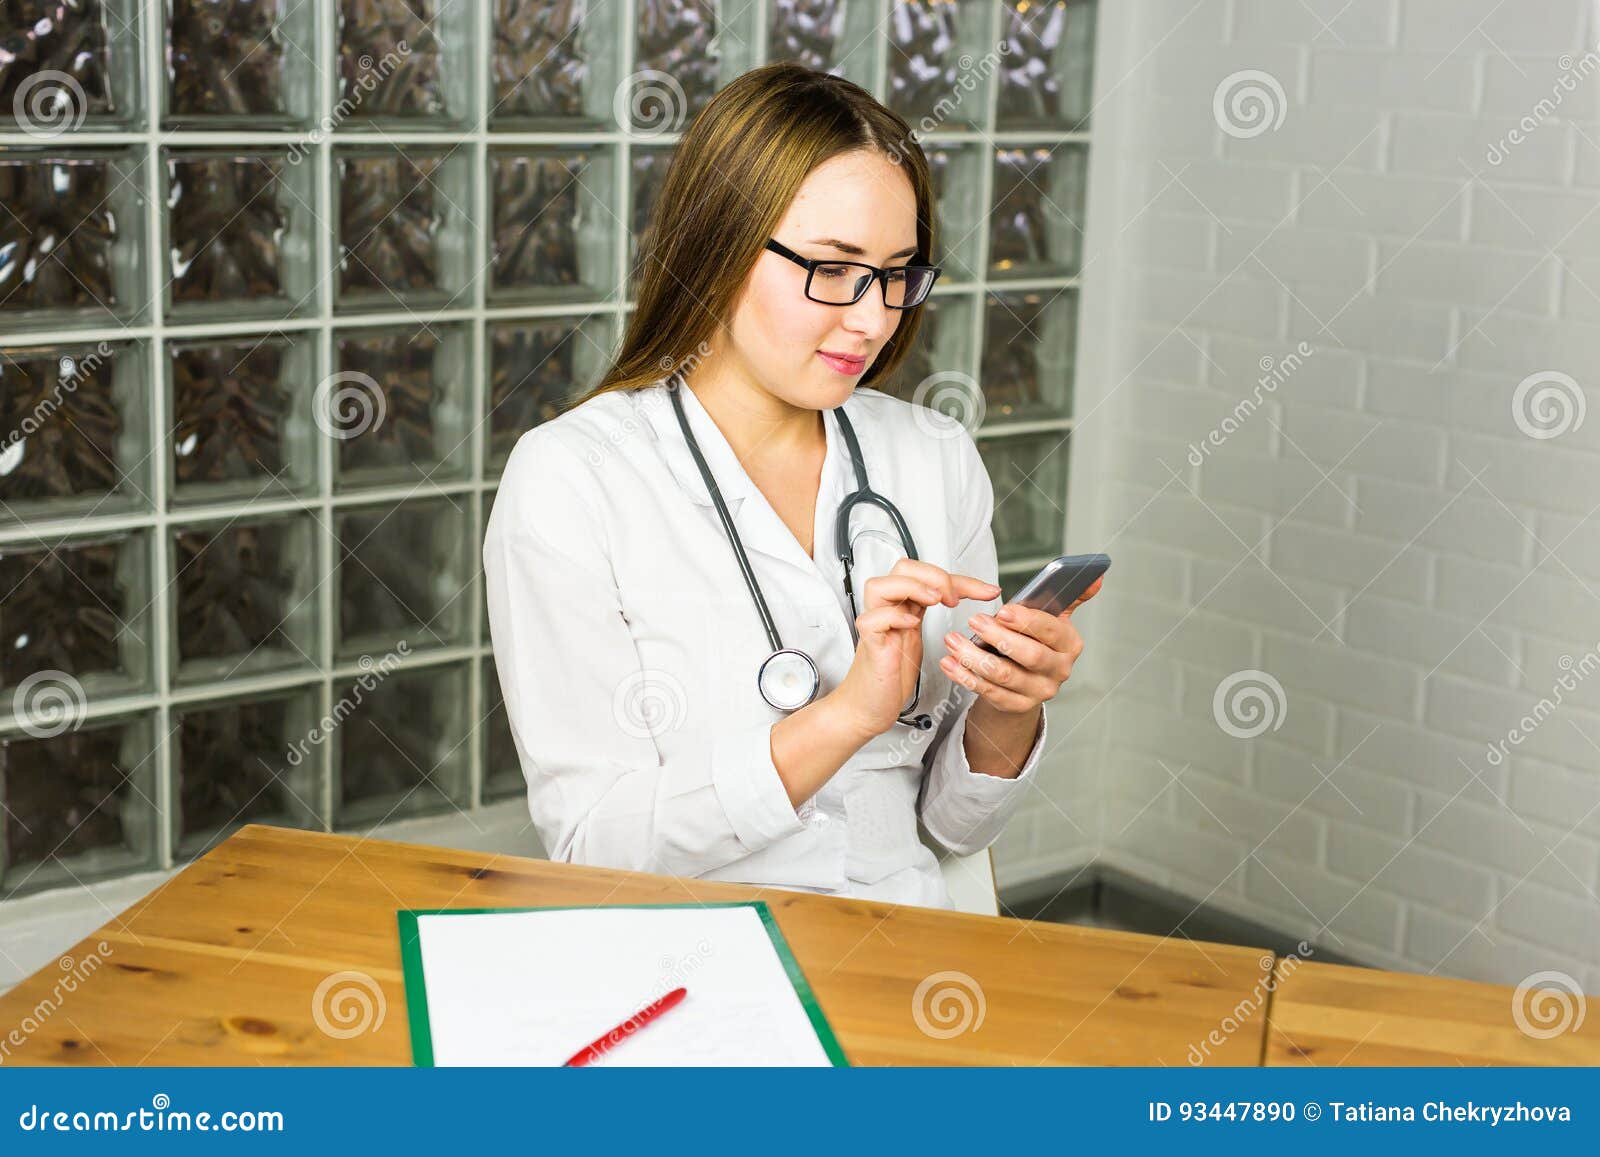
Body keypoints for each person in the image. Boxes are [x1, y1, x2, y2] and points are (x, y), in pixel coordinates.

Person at [483, 63, 1098, 910]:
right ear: (720, 244)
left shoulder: (933, 456)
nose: (873, 318)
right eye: (835, 268)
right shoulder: (573, 478)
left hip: (913, 957)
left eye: (895, 273)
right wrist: (846, 715)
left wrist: (1008, 704)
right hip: (694, 963)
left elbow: (956, 832)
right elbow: (596, 842)